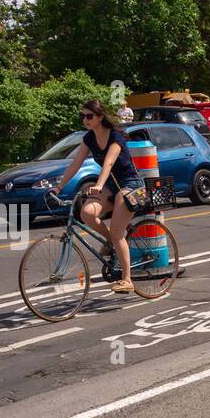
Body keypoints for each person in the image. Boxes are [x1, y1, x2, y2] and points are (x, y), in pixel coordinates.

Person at [54, 99, 146, 294]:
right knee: (87, 213)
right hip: (111, 186)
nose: (85, 120)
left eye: (89, 116)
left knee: (117, 231)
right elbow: (75, 164)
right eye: (83, 116)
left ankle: (127, 279)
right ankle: (110, 242)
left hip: (130, 185)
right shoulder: (89, 139)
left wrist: (98, 185)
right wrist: (59, 187)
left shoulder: (116, 137)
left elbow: (109, 164)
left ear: (100, 117)